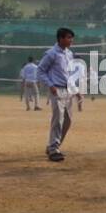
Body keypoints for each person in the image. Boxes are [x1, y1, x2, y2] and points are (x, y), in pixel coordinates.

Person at [37, 28, 76, 162]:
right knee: (58, 119)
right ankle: (53, 149)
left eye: (72, 38)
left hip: (68, 90)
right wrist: (50, 85)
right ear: (60, 39)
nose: (71, 40)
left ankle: (54, 145)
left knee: (68, 120)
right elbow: (41, 71)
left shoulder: (69, 54)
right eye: (68, 37)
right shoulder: (51, 54)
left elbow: (69, 73)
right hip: (57, 89)